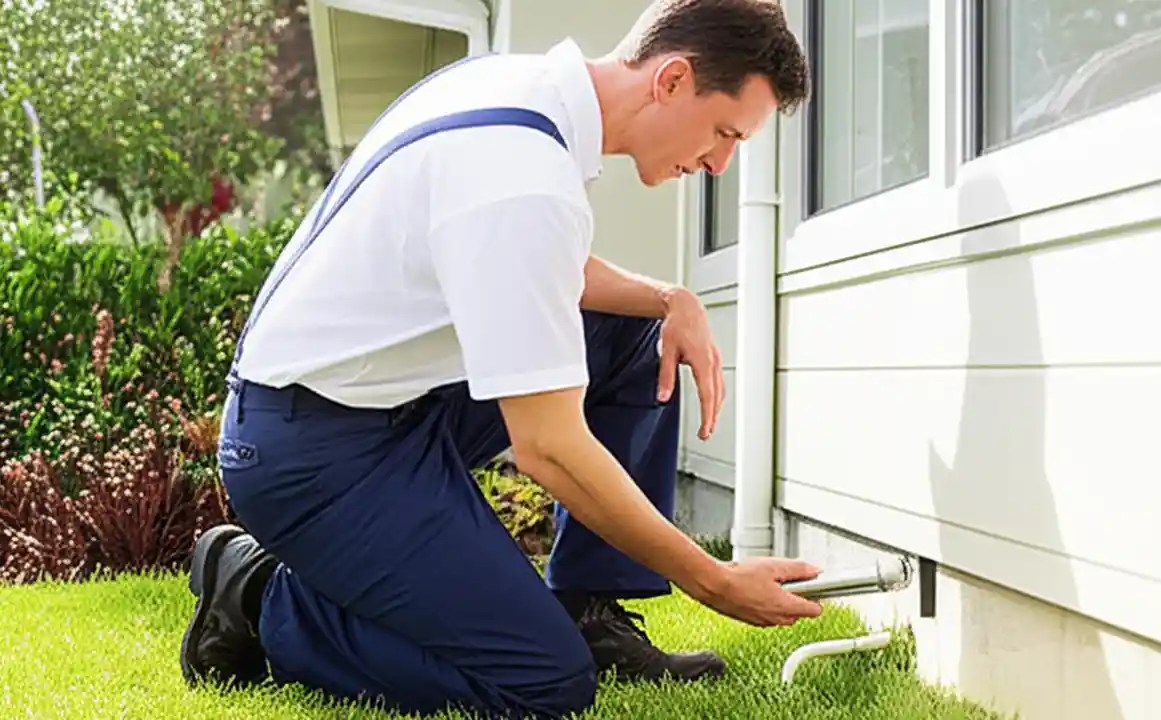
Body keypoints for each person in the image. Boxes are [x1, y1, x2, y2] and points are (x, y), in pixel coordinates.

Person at [179, 0, 822, 717]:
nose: (719, 164)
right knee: (543, 682)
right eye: (725, 133)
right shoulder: (521, 171)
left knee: (634, 333)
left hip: (395, 407)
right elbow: (547, 447)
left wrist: (672, 298)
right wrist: (711, 579)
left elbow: (542, 268)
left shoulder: (519, 97)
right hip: (312, 453)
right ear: (672, 80)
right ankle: (257, 594)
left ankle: (589, 613)